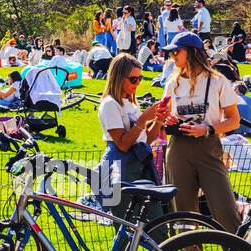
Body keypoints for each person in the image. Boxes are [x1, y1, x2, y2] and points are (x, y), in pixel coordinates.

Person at [162, 31, 241, 237]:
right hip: (178, 149)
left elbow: (234, 119)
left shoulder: (217, 81)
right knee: (183, 214)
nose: (173, 57)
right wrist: (167, 120)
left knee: (225, 210)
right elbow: (164, 117)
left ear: (192, 52)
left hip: (209, 148)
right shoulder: (172, 83)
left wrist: (208, 129)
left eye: (176, 52)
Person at [98, 54, 170, 223]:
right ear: (118, 77)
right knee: (125, 226)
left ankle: (166, 250)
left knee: (156, 222)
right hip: (120, 167)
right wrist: (143, 119)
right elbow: (122, 144)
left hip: (140, 165)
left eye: (140, 78)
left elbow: (145, 140)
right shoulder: (110, 104)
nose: (138, 83)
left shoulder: (131, 104)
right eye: (133, 79)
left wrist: (159, 120)